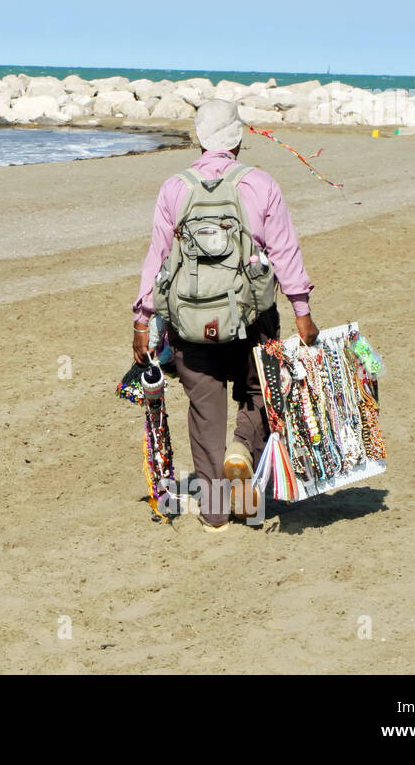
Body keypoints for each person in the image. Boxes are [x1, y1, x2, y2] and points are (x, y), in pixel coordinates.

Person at [132, 99, 318, 531]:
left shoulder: (174, 188)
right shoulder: (261, 184)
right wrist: (302, 310)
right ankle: (243, 453)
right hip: (251, 321)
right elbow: (285, 252)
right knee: (263, 393)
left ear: (199, 138)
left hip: (191, 326)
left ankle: (215, 513)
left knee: (204, 413)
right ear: (238, 138)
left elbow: (157, 259)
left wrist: (142, 320)